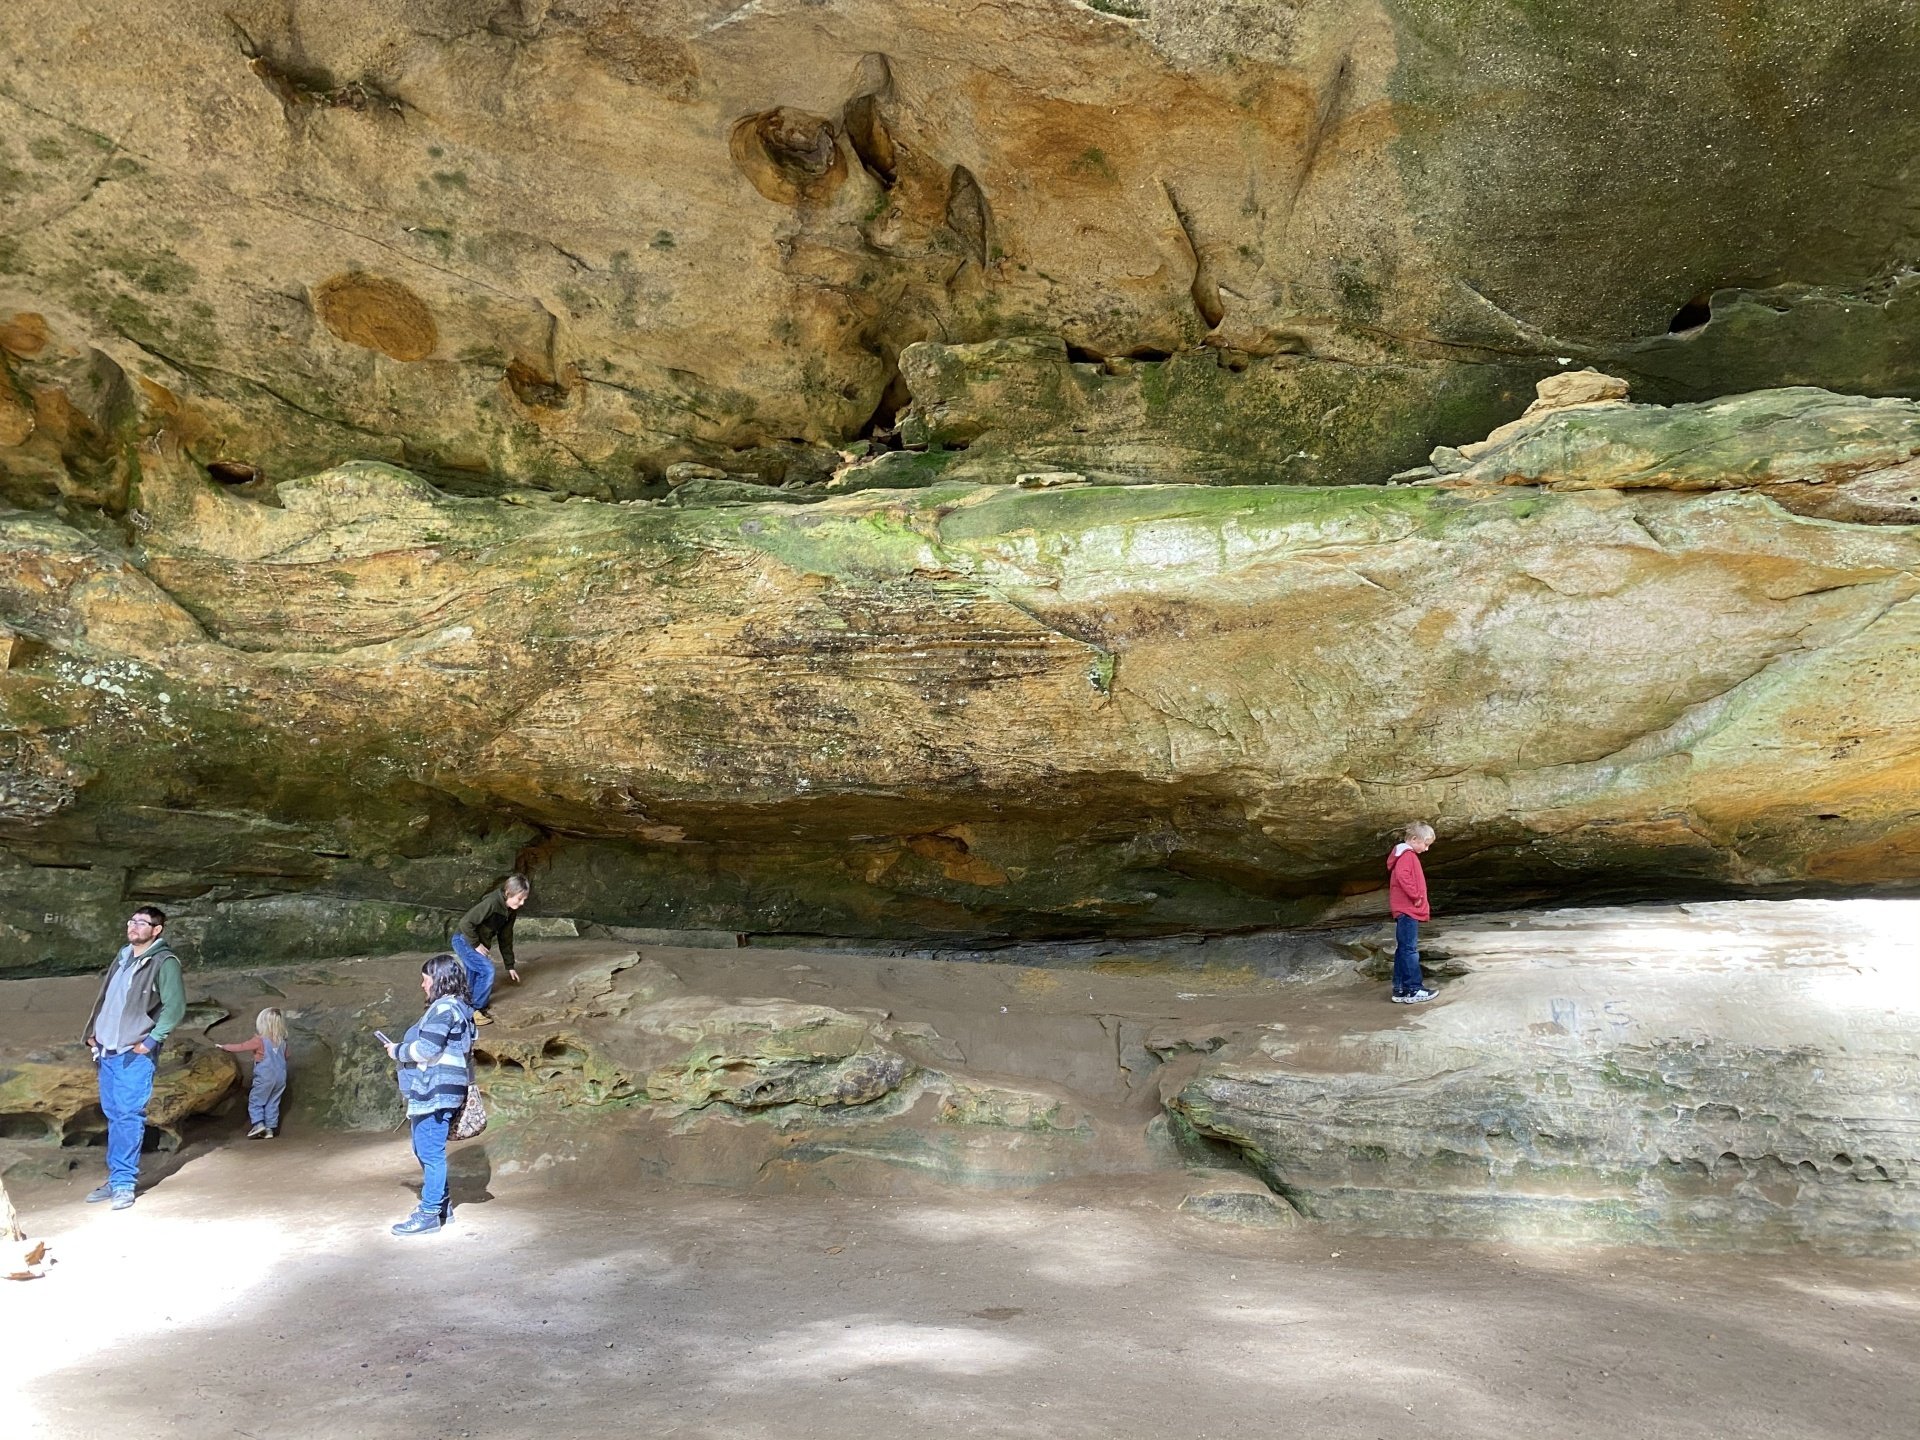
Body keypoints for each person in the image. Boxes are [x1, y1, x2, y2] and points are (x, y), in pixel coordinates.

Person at [81, 905, 186, 1209]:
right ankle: (115, 1179)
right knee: (115, 1115)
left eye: (143, 923)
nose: (134, 926)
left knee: (128, 1116)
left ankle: (125, 1184)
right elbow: (107, 998)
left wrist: (150, 1042)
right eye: (132, 921)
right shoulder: (124, 954)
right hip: (107, 1050)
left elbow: (175, 1007)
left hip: (133, 1053)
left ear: (157, 930)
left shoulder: (164, 962)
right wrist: (93, 1031)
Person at [383, 952, 477, 1236]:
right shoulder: (460, 1009)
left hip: (436, 1089)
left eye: (425, 980)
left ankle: (429, 1214)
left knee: (430, 1151)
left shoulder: (443, 1009)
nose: (423, 985)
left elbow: (426, 1049)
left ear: (438, 980)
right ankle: (441, 1203)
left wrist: (397, 1050)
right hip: (442, 1088)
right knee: (423, 1148)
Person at [453, 874, 530, 1025]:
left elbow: (505, 938)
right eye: (519, 899)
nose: (521, 903)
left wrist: (510, 965)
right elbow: (465, 923)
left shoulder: (511, 911)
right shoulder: (492, 903)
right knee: (487, 970)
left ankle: (465, 1003)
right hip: (463, 940)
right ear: (508, 893)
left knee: (474, 972)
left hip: (473, 943)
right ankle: (476, 1010)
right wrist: (475, 944)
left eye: (524, 900)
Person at [215, 1008, 290, 1139]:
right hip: (281, 1078)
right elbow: (287, 1056)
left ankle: (258, 1124)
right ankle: (270, 1129)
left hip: (266, 1077)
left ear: (262, 1024)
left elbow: (242, 1046)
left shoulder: (260, 1040)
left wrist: (224, 1047)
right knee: (273, 1102)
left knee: (256, 1100)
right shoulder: (282, 1042)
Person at [1388, 822, 1438, 1004]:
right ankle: (1414, 989)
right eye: (1425, 844)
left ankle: (1400, 989)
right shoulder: (1407, 856)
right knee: (1410, 950)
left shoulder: (1401, 855)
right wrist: (1416, 896)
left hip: (1403, 909)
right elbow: (1403, 876)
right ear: (1414, 839)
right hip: (1408, 909)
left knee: (1403, 949)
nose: (1426, 849)